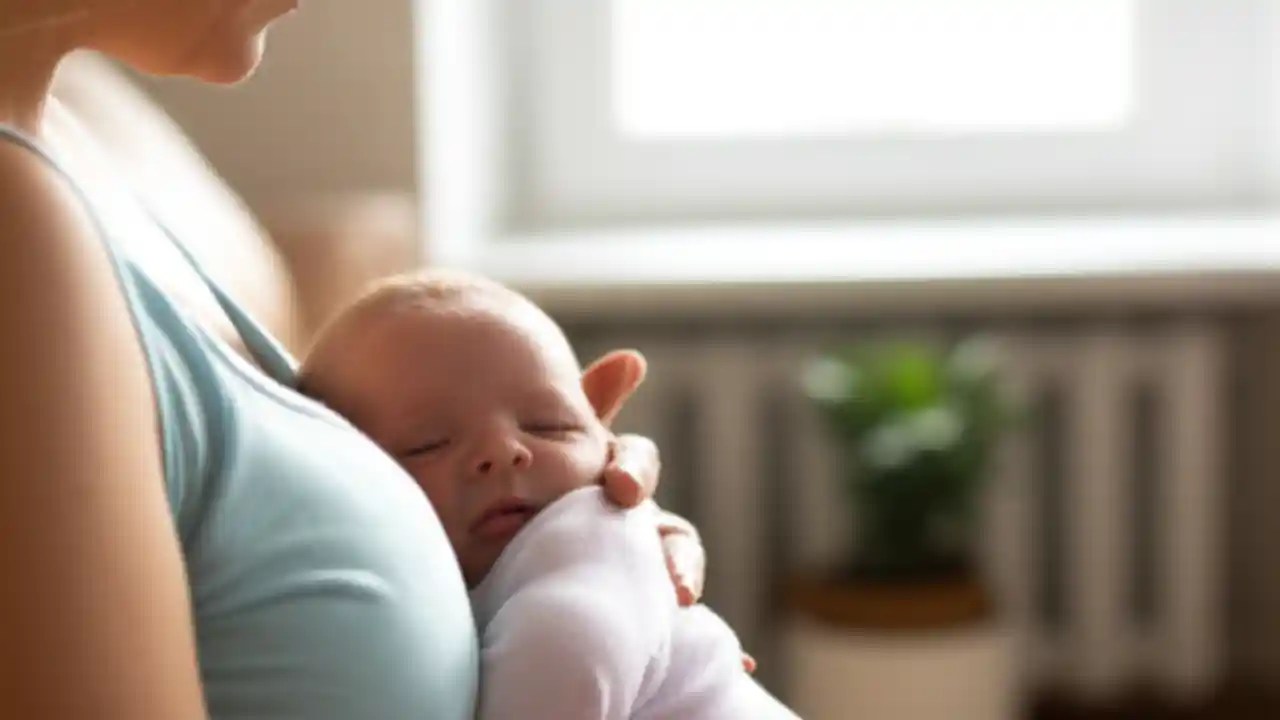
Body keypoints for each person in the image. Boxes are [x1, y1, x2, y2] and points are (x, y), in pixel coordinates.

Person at [0, 2, 707, 717]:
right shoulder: (15, 229)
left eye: (548, 427)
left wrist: (577, 532)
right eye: (430, 443)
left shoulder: (70, 132)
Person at [299, 269, 796, 719]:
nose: (504, 451)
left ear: (604, 433)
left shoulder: (578, 554)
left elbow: (570, 646)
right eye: (427, 444)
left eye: (549, 426)